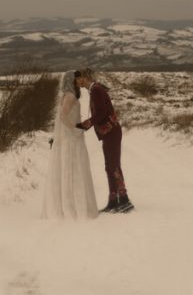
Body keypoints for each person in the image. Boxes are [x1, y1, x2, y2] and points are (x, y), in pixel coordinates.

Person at [41, 70, 99, 219]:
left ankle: (71, 204)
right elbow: (63, 116)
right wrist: (75, 130)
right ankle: (74, 206)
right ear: (71, 81)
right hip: (72, 140)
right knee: (75, 170)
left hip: (71, 139)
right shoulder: (70, 96)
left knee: (72, 170)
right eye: (77, 79)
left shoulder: (66, 96)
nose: (79, 81)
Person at [74, 69, 134, 213]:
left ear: (84, 77)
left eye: (78, 79)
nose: (76, 82)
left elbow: (101, 112)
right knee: (109, 166)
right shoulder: (94, 89)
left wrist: (85, 124)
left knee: (113, 166)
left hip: (112, 132)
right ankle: (113, 200)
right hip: (109, 133)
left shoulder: (96, 90)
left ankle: (124, 199)